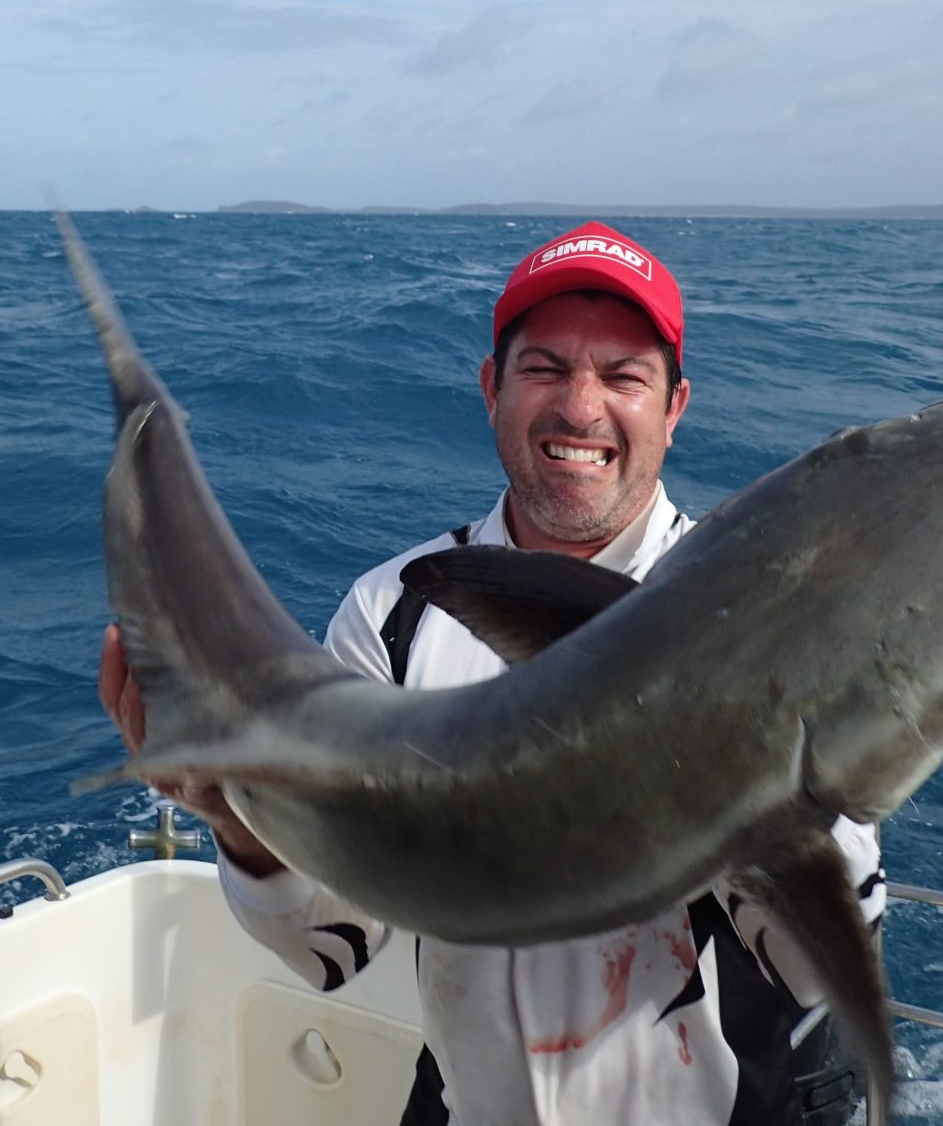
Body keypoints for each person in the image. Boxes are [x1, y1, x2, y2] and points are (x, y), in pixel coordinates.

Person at [99, 221, 886, 1126]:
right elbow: (332, 943)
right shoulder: (393, 610)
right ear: (491, 389)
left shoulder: (762, 606)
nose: (580, 408)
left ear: (674, 407)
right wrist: (234, 814)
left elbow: (817, 959)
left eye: (625, 376)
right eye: (545, 368)